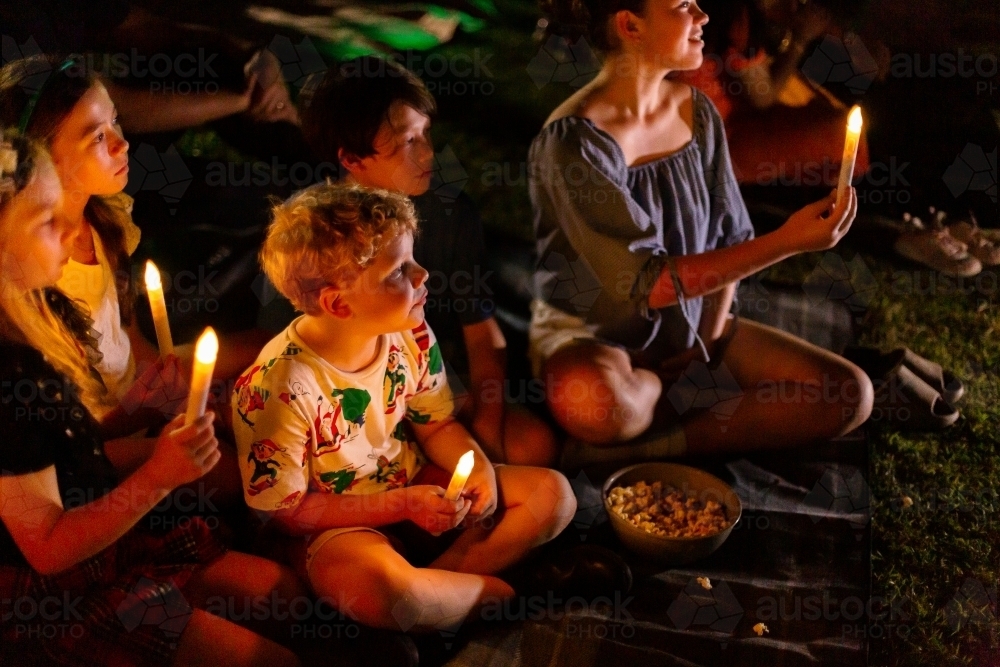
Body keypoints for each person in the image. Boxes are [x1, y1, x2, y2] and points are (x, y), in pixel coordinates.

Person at [0, 129, 304, 667]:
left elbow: (54, 450)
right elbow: (45, 546)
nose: (71, 229)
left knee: (285, 597)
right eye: (47, 221)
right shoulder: (9, 371)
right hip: (52, 593)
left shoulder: (36, 313)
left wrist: (133, 412)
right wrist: (159, 475)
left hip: (100, 528)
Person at [529, 0, 874, 454]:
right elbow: (646, 283)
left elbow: (730, 234)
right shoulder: (575, 142)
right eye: (682, 5)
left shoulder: (697, 112)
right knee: (594, 401)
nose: (703, 15)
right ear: (631, 24)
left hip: (690, 323)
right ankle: (662, 404)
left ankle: (650, 447)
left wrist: (707, 337)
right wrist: (787, 242)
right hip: (599, 339)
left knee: (849, 393)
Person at [232, 182, 579, 632]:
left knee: (554, 496)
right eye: (398, 270)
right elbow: (291, 513)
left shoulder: (408, 334)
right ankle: (505, 595)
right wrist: (401, 506)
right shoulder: (276, 387)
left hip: (415, 484)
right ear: (338, 303)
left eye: (413, 260)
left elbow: (436, 425)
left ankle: (447, 592)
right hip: (339, 529)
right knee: (383, 592)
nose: (422, 275)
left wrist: (474, 468)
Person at [0, 55, 273, 502]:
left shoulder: (103, 221)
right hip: (100, 437)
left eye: (116, 123)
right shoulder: (34, 276)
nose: (122, 144)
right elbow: (76, 436)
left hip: (136, 388)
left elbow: (132, 343)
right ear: (40, 154)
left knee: (267, 344)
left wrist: (175, 387)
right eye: (97, 137)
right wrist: (154, 412)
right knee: (243, 475)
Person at [299, 56, 558, 466]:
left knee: (532, 445)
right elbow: (284, 340)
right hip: (343, 388)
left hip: (426, 379)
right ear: (352, 159)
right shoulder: (316, 229)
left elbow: (481, 331)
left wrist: (488, 432)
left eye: (426, 134)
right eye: (408, 143)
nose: (428, 154)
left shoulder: (449, 212)